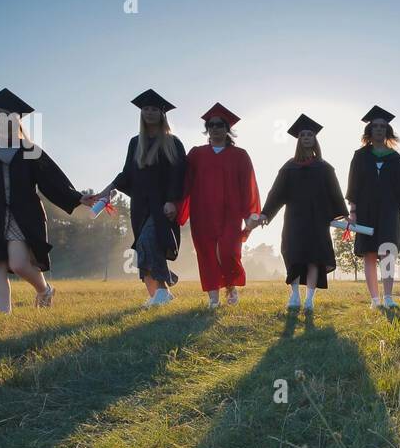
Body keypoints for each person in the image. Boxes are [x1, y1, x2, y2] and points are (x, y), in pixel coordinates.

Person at [0, 88, 86, 313]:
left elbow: (52, 181)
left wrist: (79, 197)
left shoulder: (29, 150)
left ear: (15, 120)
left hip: (23, 215)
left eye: (5, 116)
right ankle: (4, 316)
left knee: (19, 264)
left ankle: (44, 290)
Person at [86, 89, 187, 307]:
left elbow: (178, 175)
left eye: (153, 109)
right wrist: (106, 191)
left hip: (162, 204)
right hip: (140, 204)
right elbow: (127, 174)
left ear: (162, 113)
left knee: (148, 241)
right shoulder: (135, 143)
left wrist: (172, 201)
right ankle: (158, 294)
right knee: (143, 247)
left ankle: (164, 288)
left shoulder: (172, 142)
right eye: (145, 109)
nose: (149, 112)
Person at [247, 114, 347, 312]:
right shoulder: (289, 168)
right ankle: (294, 294)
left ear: (315, 139)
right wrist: (266, 213)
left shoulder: (325, 168)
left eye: (310, 134)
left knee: (314, 258)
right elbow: (276, 193)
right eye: (303, 135)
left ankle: (309, 298)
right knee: (293, 255)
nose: (307, 137)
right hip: (295, 220)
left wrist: (344, 215)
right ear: (298, 140)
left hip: (317, 220)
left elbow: (335, 193)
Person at [178, 103, 260, 309]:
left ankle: (230, 287)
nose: (215, 128)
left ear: (227, 129)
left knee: (228, 252)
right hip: (202, 211)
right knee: (206, 253)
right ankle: (213, 298)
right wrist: (176, 204)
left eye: (220, 125)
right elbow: (183, 181)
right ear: (207, 128)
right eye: (211, 124)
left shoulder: (240, 155)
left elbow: (248, 184)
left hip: (230, 212)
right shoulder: (196, 154)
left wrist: (251, 213)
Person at [345, 105, 400, 308]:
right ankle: (374, 300)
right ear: (369, 130)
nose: (379, 129)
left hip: (389, 211)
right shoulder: (360, 156)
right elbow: (353, 185)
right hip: (365, 210)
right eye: (375, 126)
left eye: (383, 127)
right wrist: (352, 212)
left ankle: (388, 297)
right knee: (370, 254)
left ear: (387, 131)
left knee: (387, 251)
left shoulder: (396, 159)